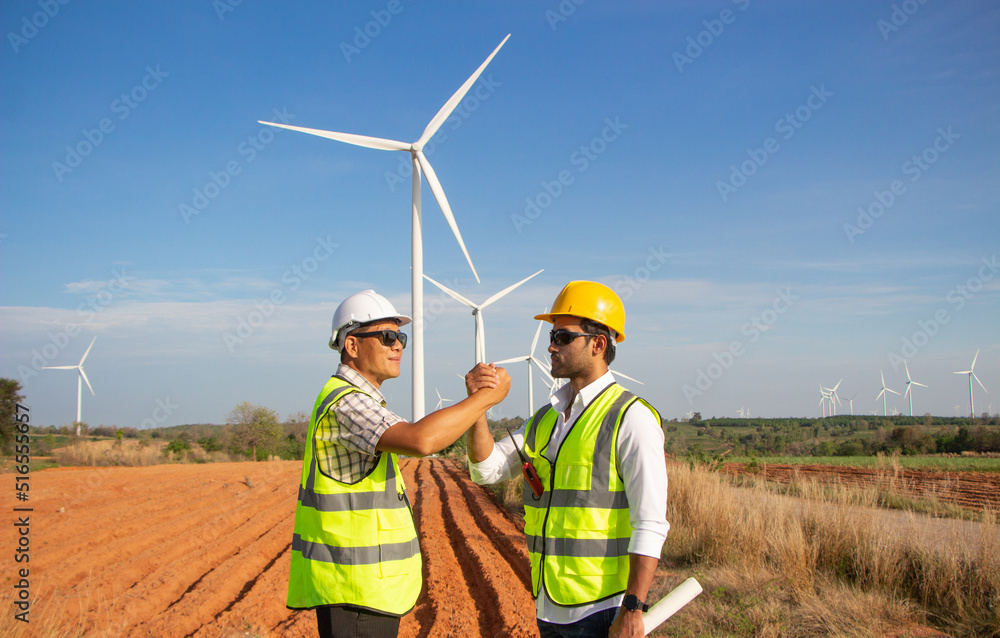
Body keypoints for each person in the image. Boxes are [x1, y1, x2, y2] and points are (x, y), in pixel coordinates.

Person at [287, 289, 510, 638]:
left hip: (364, 586)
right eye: (387, 336)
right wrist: (486, 398)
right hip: (354, 589)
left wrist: (475, 402)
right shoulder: (346, 404)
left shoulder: (359, 400)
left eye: (401, 337)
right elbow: (422, 441)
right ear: (352, 346)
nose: (398, 346)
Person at [467, 281, 669, 638]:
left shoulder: (630, 418)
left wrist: (634, 609)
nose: (550, 345)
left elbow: (650, 523)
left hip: (602, 608)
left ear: (598, 344)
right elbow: (485, 470)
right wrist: (478, 405)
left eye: (562, 337)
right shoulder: (545, 419)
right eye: (551, 335)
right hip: (547, 603)